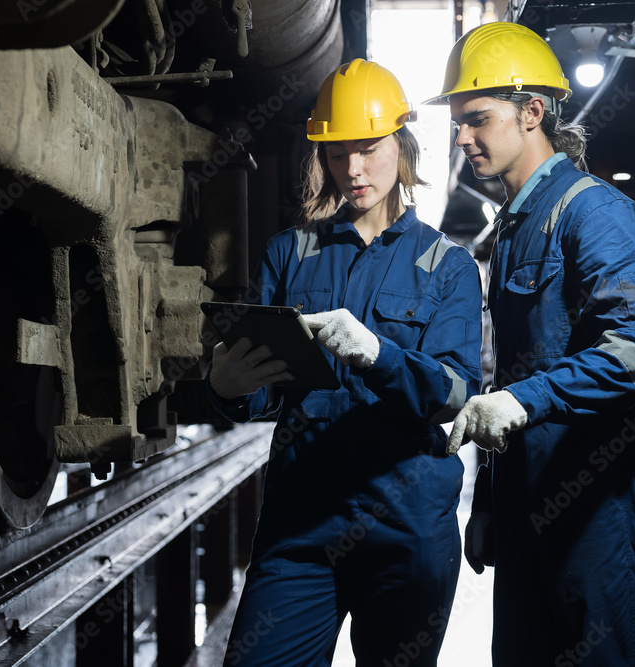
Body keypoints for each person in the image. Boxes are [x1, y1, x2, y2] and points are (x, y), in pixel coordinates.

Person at [207, 59, 483, 666]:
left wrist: (380, 356)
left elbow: (457, 395)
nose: (352, 169)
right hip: (301, 525)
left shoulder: (448, 266)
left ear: (402, 146)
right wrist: (226, 387)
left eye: (367, 148)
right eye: (336, 154)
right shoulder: (291, 252)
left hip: (406, 526)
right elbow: (268, 390)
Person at [426, 21, 635, 666]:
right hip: (530, 504)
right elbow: (510, 377)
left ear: (532, 112)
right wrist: (489, 503)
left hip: (601, 507)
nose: (462, 138)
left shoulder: (590, 211)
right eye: (457, 122)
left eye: (477, 118)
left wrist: (521, 402)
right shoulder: (513, 226)